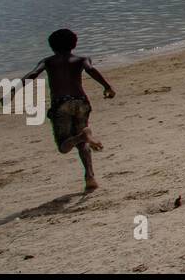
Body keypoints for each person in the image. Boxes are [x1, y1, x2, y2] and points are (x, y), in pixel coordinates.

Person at [16, 29, 116, 192]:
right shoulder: (82, 59)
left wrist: (13, 91)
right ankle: (90, 176)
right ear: (74, 44)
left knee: (64, 146)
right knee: (82, 142)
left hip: (61, 104)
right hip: (81, 102)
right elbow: (91, 70)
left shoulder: (48, 61)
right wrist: (107, 86)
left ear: (51, 46)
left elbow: (33, 73)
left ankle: (82, 137)